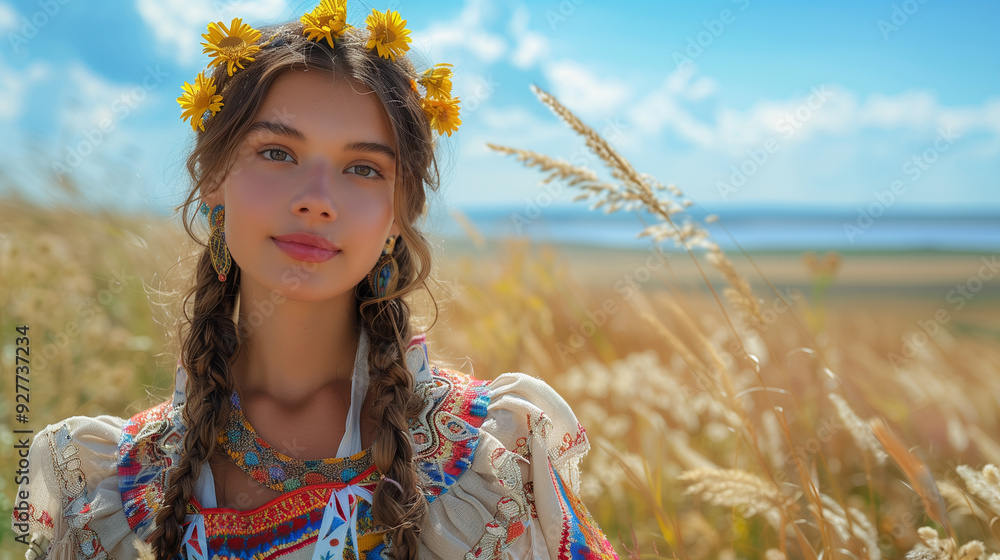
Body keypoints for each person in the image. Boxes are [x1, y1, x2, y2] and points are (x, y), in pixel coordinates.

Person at [11, 3, 619, 559]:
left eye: (362, 168)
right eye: (278, 152)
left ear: (396, 214)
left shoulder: (490, 467)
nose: (317, 201)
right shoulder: (99, 492)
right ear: (215, 177)